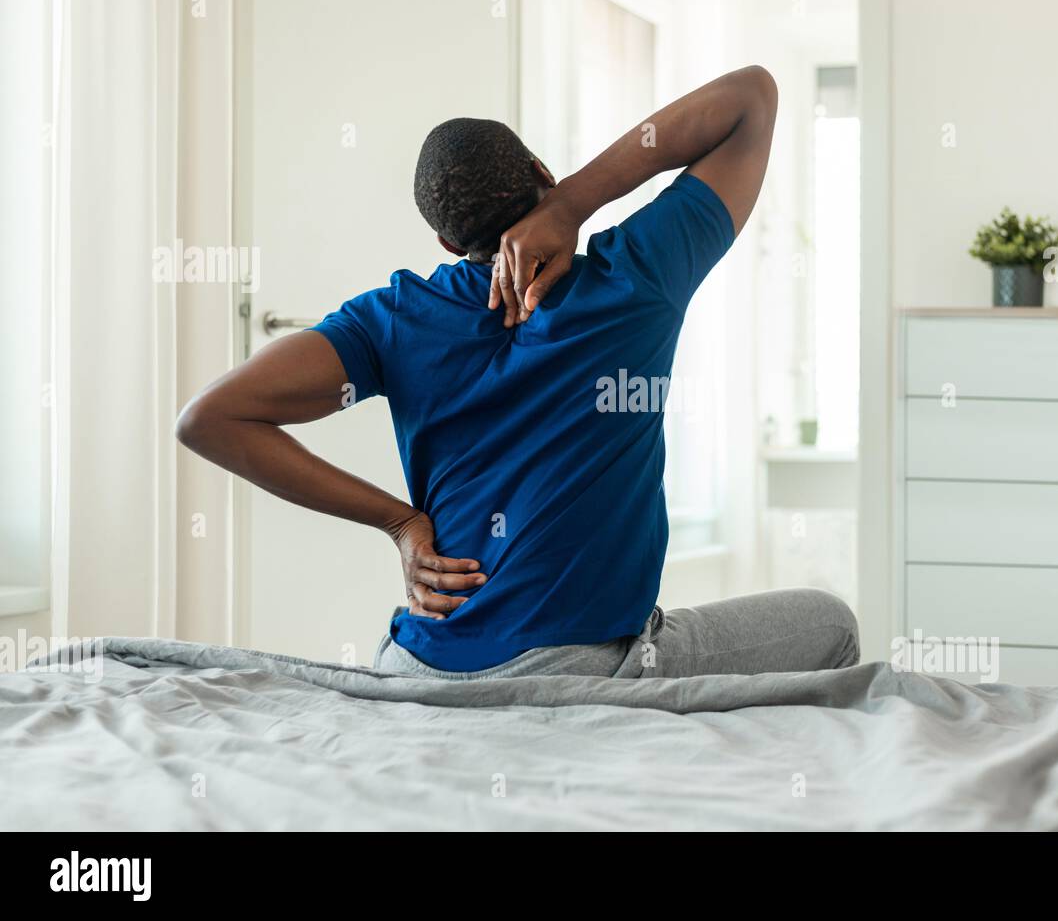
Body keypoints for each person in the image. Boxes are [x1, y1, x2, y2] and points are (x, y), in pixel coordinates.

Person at [176, 66, 859, 680]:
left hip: (415, 666)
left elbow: (208, 419)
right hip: (574, 665)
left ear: (447, 241)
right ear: (543, 170)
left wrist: (400, 523)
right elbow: (750, 98)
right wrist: (573, 205)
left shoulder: (392, 320)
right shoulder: (638, 278)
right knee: (831, 623)